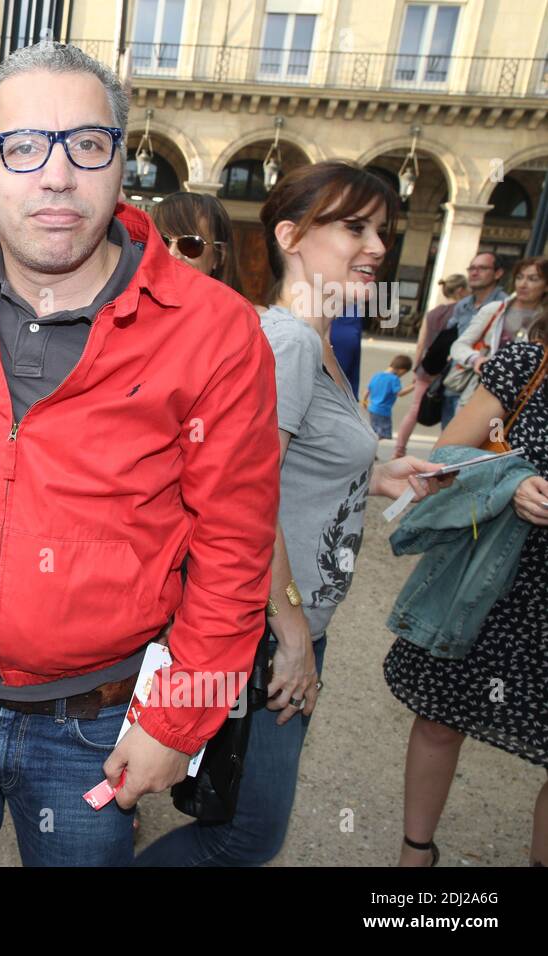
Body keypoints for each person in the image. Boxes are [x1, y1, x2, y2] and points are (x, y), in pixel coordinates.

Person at [0, 41, 282, 868]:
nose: (57, 175)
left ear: (119, 163)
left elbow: (234, 550)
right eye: (23, 146)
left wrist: (179, 722)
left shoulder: (213, 329)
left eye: (87, 145)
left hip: (98, 726)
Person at [137, 161, 446, 866]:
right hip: (267, 632)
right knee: (245, 834)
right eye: (353, 227)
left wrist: (378, 476)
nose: (376, 247)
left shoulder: (324, 347)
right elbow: (244, 498)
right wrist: (294, 631)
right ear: (290, 235)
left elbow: (296, 467)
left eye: (383, 232)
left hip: (293, 625)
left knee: (236, 818)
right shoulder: (288, 343)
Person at [384, 312, 548, 867]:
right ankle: (416, 854)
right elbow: (447, 455)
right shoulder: (529, 365)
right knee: (439, 716)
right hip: (484, 584)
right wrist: (513, 479)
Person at [447, 256, 548, 409]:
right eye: (519, 277)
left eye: (533, 279)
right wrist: (476, 359)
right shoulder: (495, 310)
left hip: (522, 401)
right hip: (481, 392)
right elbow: (459, 345)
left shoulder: (544, 318)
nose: (523, 284)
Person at [393, 273, 468, 458]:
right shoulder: (462, 312)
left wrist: (417, 367)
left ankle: (399, 450)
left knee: (414, 409)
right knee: (449, 413)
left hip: (426, 367)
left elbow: (421, 343)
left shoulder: (432, 312)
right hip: (447, 370)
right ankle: (443, 454)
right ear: (460, 290)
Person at [440, 252, 509, 426]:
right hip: (456, 380)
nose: (474, 272)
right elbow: (452, 338)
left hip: (481, 388)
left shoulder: (504, 306)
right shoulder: (463, 304)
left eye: (482, 268)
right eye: (472, 268)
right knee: (446, 443)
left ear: (498, 273)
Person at [150, 191, 246, 299]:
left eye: (190, 244)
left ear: (220, 255)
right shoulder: (132, 309)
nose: (171, 254)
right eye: (162, 241)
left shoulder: (242, 315)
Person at [362, 354, 415, 442]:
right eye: (404, 373)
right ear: (402, 370)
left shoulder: (377, 375)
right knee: (382, 434)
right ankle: (368, 446)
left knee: (374, 432)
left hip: (372, 409)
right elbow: (400, 393)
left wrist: (364, 401)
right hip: (383, 411)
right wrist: (414, 386)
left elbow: (367, 390)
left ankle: (372, 452)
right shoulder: (394, 379)